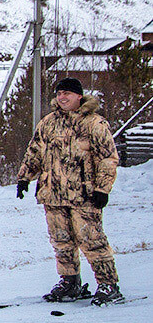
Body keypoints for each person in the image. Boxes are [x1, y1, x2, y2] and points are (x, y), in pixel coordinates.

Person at [16, 77, 122, 304]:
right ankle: (70, 282)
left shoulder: (95, 123)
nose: (62, 97)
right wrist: (25, 177)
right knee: (61, 241)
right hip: (52, 194)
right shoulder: (48, 123)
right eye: (59, 93)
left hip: (84, 195)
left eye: (67, 94)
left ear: (79, 96)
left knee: (92, 240)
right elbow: (34, 151)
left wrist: (103, 188)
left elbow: (107, 158)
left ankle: (108, 285)